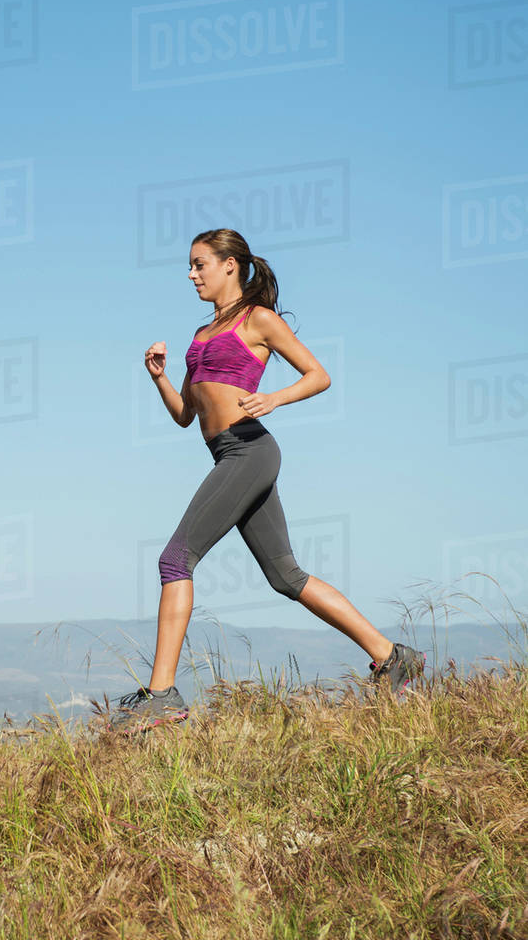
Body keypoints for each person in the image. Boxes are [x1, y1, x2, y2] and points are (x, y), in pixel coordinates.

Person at [112, 228, 425, 733]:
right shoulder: (200, 336)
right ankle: (393, 656)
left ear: (229, 265)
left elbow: (318, 375)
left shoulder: (258, 319)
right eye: (190, 267)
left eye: (199, 264)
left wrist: (274, 398)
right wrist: (160, 378)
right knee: (286, 577)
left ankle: (163, 694)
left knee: (175, 559)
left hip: (250, 450)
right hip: (227, 455)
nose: (191, 275)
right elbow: (186, 416)